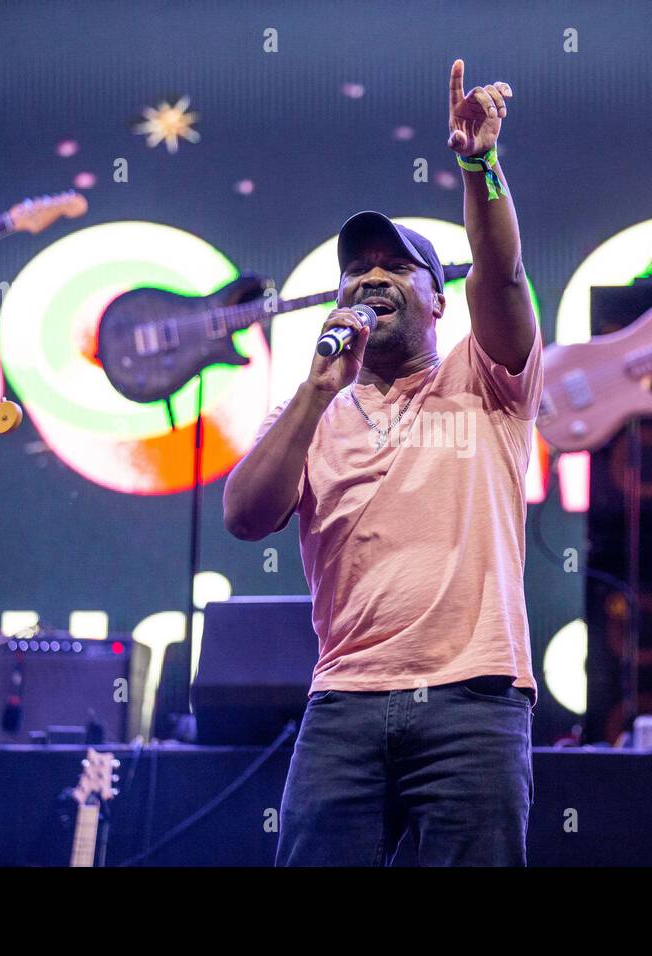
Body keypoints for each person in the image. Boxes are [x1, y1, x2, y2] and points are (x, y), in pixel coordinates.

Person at [223, 59, 542, 865]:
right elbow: (244, 517)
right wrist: (313, 392)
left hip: (474, 700)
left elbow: (502, 273)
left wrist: (478, 164)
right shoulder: (308, 411)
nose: (371, 277)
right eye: (356, 271)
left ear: (439, 299)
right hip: (344, 706)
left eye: (395, 266)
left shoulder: (488, 378)